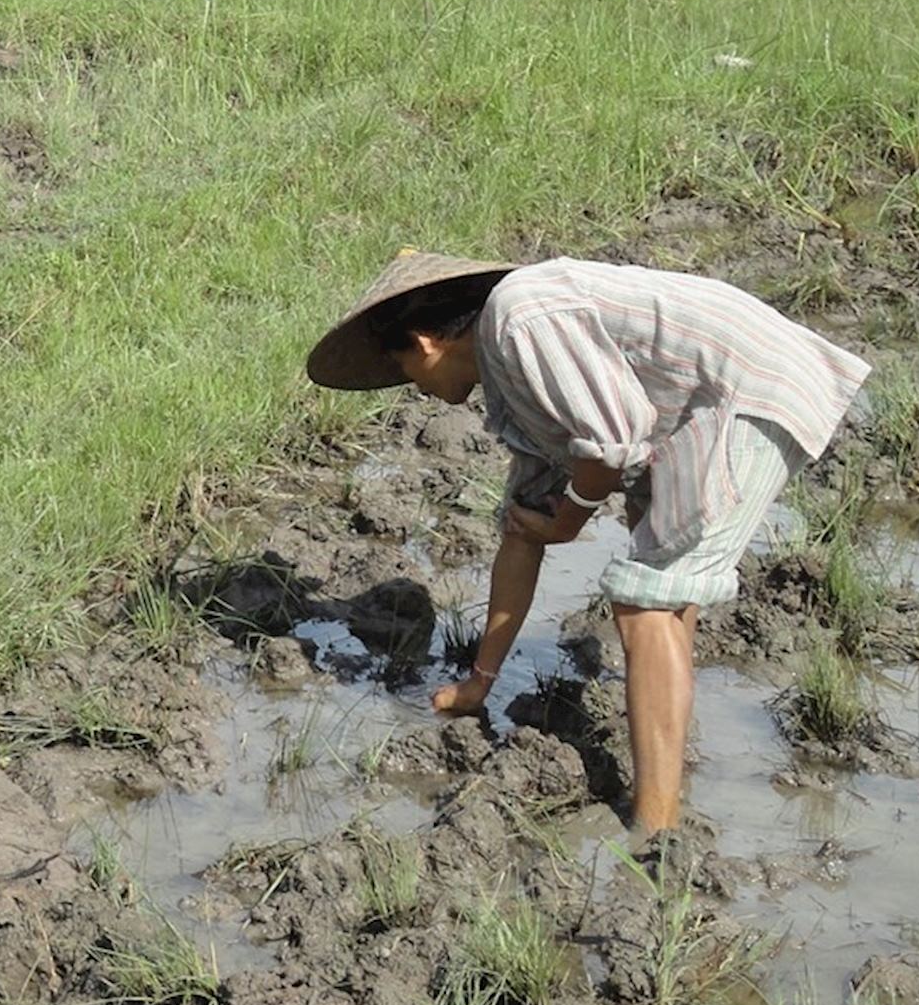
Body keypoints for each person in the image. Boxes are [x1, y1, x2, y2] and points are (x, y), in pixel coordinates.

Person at [306, 249, 870, 839]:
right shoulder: (510, 379)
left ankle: (656, 829)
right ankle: (666, 777)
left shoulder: (518, 317)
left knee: (646, 602)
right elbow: (524, 532)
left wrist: (569, 519)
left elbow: (613, 440)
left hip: (747, 390)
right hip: (700, 406)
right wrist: (480, 682)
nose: (414, 392)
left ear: (423, 344)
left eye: (404, 373)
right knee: (662, 593)